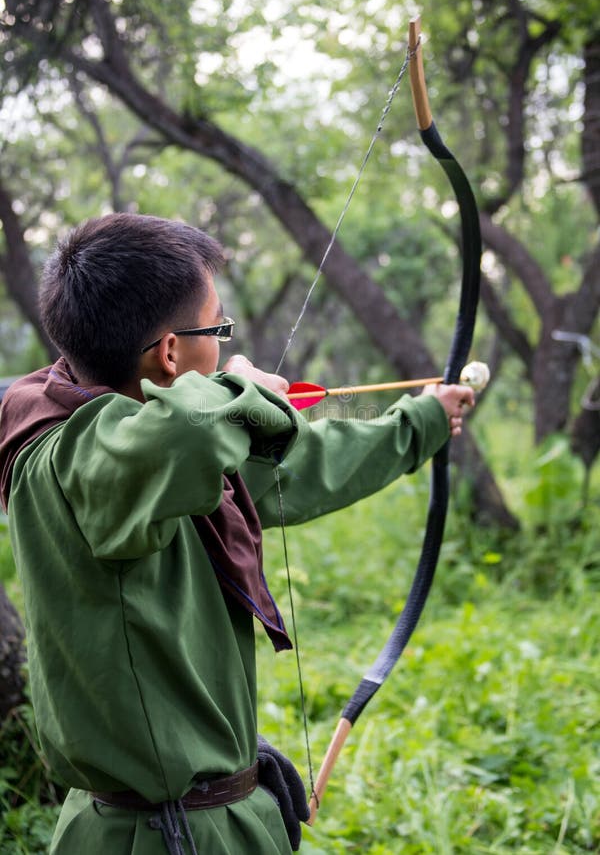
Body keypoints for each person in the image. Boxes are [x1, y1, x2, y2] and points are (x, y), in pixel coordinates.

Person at [0, 213, 474, 855]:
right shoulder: (73, 457)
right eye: (216, 329)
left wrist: (422, 421)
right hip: (154, 836)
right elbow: (193, 433)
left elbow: (302, 464)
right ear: (171, 353)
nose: (225, 345)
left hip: (209, 820)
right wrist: (240, 392)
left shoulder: (159, 450)